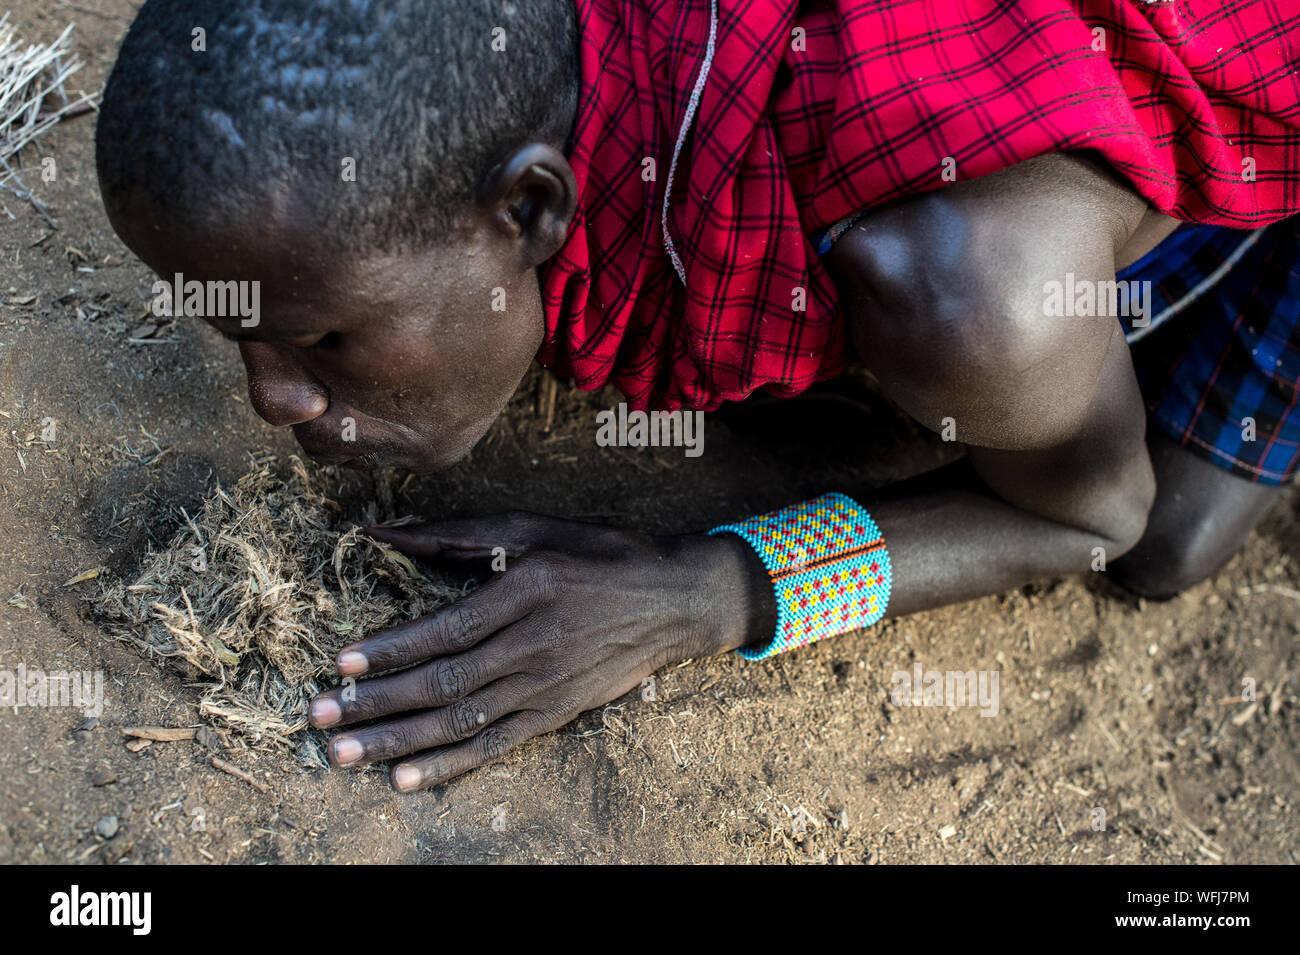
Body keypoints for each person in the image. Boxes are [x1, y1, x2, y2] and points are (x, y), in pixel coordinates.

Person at [95, 0, 1300, 791]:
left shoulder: (966, 295)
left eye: (320, 339)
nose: (272, 398)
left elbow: (1096, 520)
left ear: (531, 209)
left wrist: (706, 589)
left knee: (1174, 536)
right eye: (231, 327)